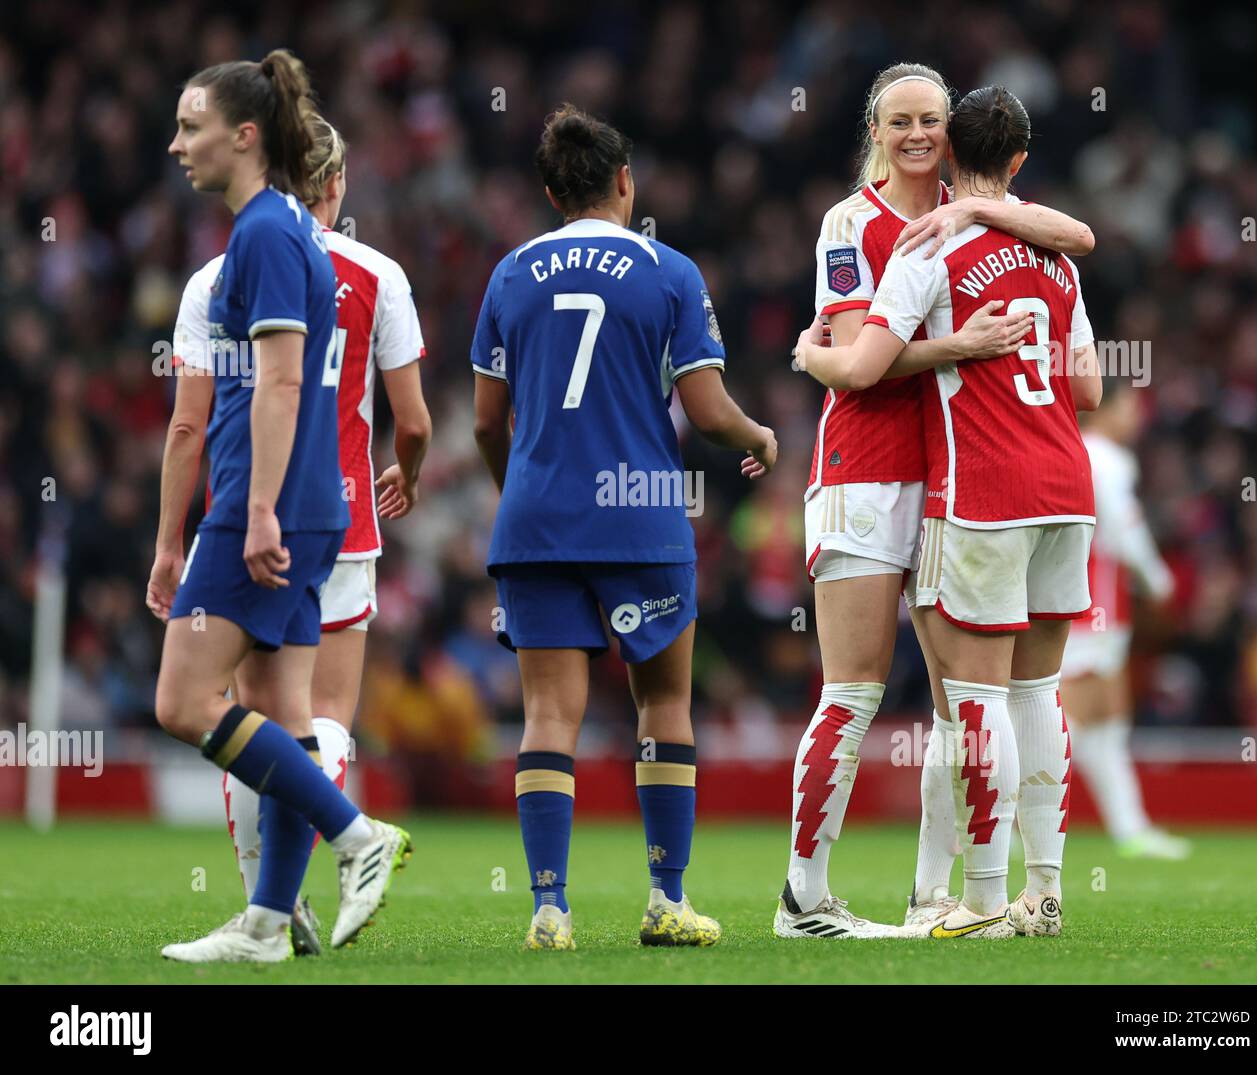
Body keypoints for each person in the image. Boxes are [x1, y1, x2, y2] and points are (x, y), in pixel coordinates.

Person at [778, 61, 1095, 940]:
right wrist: (957, 346)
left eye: (931, 121)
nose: (918, 135)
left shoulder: (968, 214)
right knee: (854, 689)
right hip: (868, 472)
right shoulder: (851, 222)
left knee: (964, 702)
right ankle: (803, 894)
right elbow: (852, 354)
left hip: (959, 478)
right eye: (900, 122)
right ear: (873, 133)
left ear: (953, 135)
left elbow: (1079, 231)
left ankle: (933, 895)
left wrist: (985, 207)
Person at [471, 104, 777, 950]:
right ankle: (666, 899)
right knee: (666, 702)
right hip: (641, 514)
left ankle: (548, 908)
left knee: (547, 716)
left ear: (548, 191)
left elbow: (487, 424)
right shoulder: (669, 269)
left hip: (537, 520)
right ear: (625, 182)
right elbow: (709, 410)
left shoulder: (509, 274)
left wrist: (519, 494)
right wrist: (758, 436)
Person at [147, 51, 411, 963]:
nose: (177, 144)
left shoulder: (260, 234)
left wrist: (252, 512)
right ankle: (266, 922)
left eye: (191, 127)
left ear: (245, 135)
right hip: (311, 509)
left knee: (183, 700)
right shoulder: (290, 226)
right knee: (285, 713)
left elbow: (283, 379)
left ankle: (356, 835)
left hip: (266, 509)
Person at [1060, 382, 1189, 859]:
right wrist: (1159, 581)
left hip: (1090, 597)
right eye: (1131, 407)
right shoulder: (1106, 458)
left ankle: (1130, 829)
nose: (1139, 417)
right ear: (1106, 409)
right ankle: (993, 817)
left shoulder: (1080, 450)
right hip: (1093, 599)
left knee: (1106, 718)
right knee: (1066, 714)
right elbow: (1122, 529)